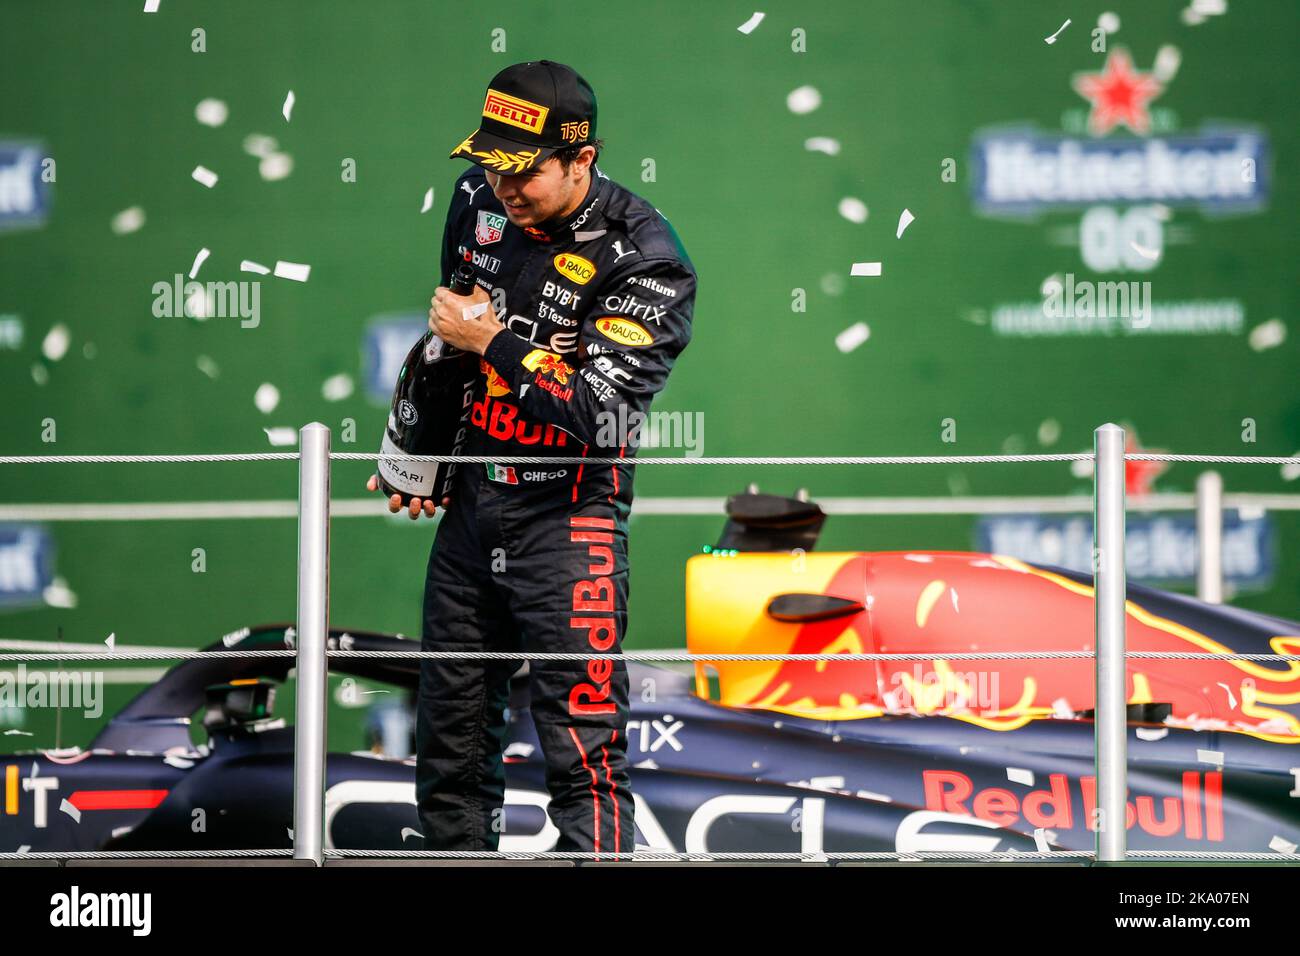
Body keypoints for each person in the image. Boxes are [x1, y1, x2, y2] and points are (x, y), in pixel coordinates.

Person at [368, 60, 696, 854]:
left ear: (582, 159)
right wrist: (424, 456)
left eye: (523, 169)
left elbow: (603, 412)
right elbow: (455, 331)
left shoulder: (646, 257)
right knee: (448, 744)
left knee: (581, 751)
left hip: (571, 512)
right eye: (490, 162)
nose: (503, 187)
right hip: (476, 505)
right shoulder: (477, 201)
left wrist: (496, 341)